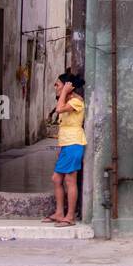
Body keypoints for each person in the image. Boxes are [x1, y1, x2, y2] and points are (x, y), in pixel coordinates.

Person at [46, 71, 87, 226]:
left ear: (68, 86)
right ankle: (59, 212)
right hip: (66, 145)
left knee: (70, 180)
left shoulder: (76, 101)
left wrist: (63, 92)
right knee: (57, 179)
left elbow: (59, 109)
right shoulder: (68, 100)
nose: (55, 87)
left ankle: (69, 217)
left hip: (74, 144)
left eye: (58, 84)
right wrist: (60, 147)